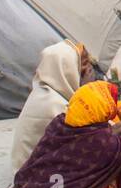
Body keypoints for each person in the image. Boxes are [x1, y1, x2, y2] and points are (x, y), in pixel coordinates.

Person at [9, 40, 92, 175]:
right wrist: (87, 89)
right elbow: (92, 138)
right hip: (40, 180)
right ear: (68, 69)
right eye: (82, 65)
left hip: (29, 170)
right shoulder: (55, 106)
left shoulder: (42, 92)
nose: (87, 70)